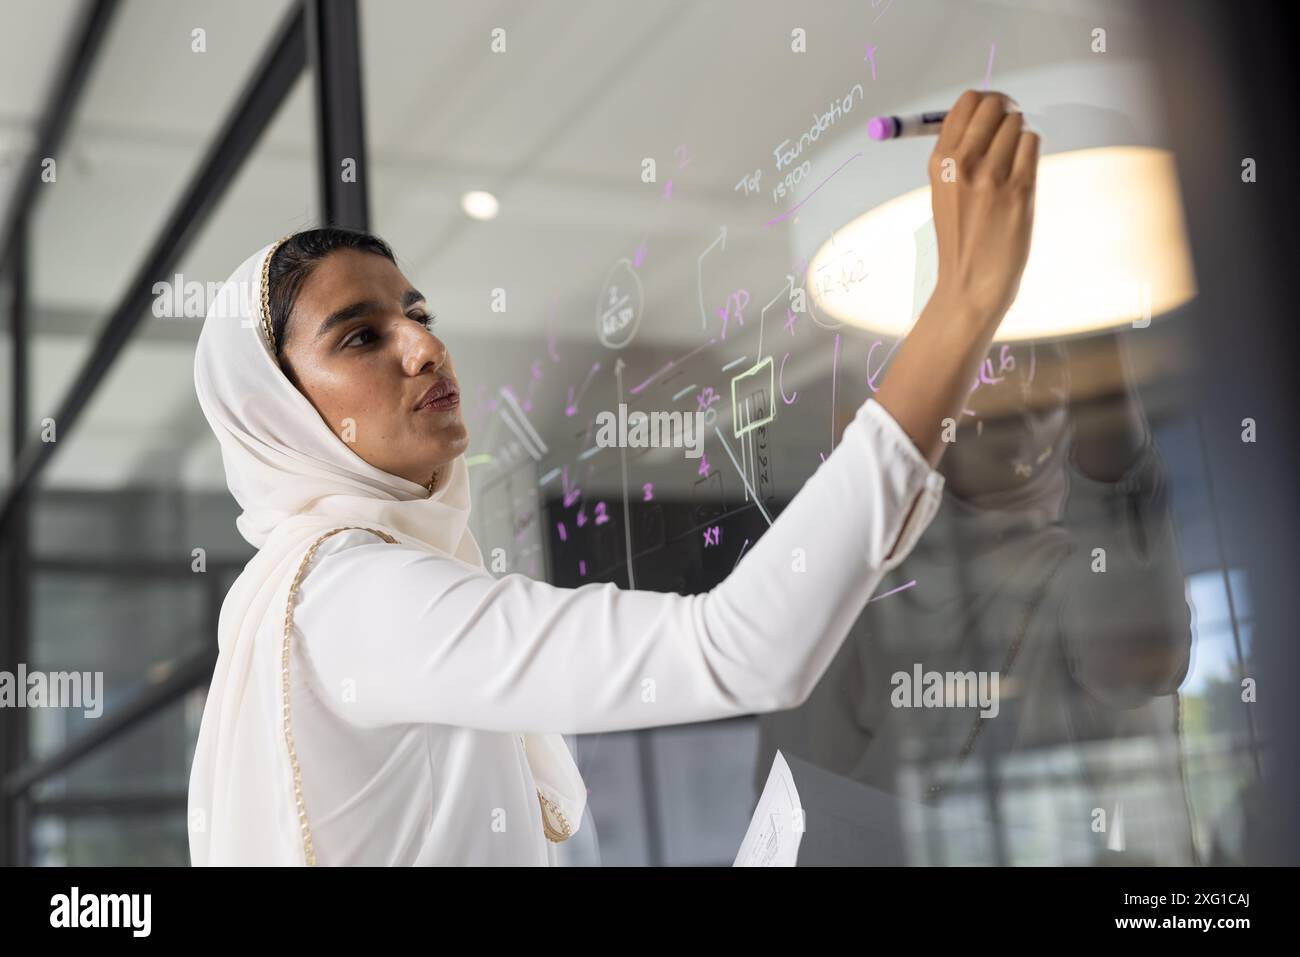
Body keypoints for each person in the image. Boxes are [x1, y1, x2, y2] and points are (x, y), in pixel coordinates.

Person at [187, 90, 1040, 865]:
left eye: (417, 314)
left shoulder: (335, 596)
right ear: (278, 415)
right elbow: (738, 651)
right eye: (360, 337)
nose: (424, 346)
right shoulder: (348, 597)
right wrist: (964, 301)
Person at [755, 334, 1199, 865]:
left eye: (1045, 364)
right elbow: (790, 818)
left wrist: (1098, 353)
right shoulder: (846, 596)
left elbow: (1142, 662)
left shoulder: (1088, 568)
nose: (1016, 384)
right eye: (986, 362)